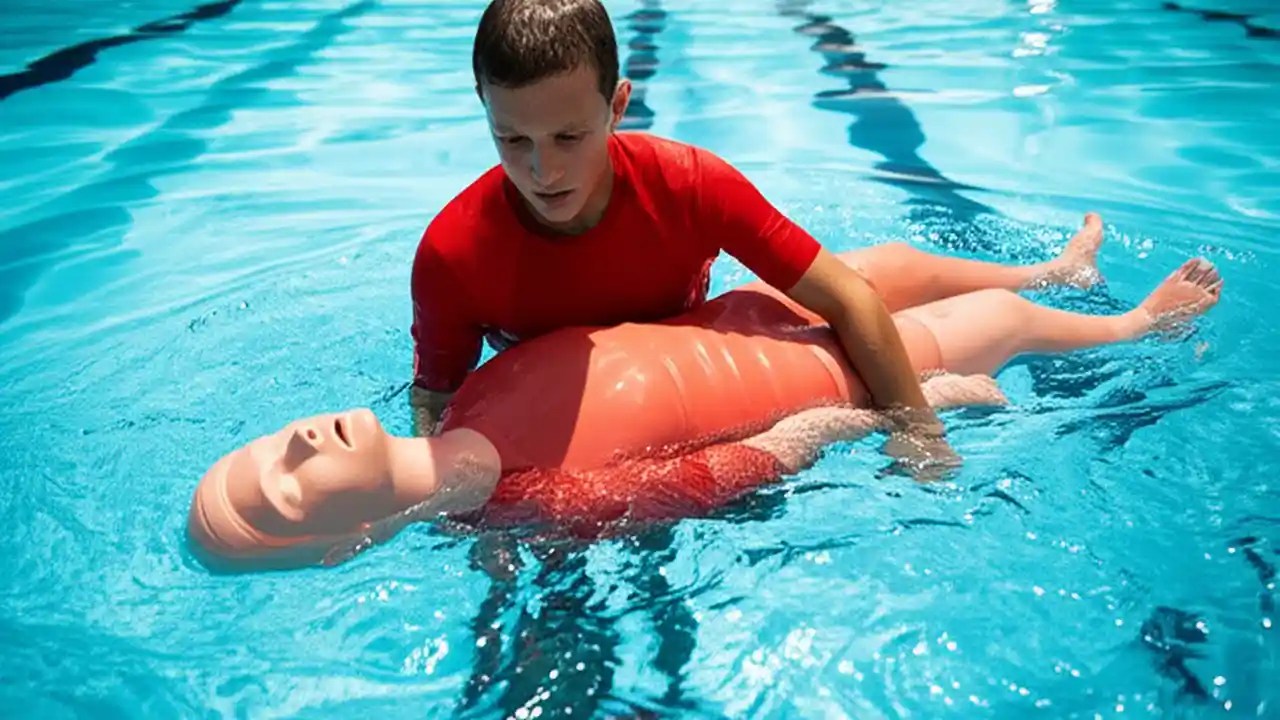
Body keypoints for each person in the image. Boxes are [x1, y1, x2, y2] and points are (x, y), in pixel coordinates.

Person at [186, 238, 1223, 570]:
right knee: (991, 322)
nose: (292, 444)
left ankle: (1054, 269)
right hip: (822, 377)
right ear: (340, 541)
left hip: (735, 323)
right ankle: (1131, 326)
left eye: (261, 448)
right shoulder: (536, 504)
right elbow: (757, 462)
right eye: (283, 488)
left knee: (888, 263)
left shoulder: (453, 415)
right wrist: (904, 410)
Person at [409, 0, 964, 475]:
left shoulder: (688, 187)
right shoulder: (453, 256)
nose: (542, 170)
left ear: (618, 107)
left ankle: (1043, 276)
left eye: (568, 137)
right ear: (484, 109)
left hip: (690, 401)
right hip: (591, 441)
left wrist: (918, 432)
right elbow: (436, 400)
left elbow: (849, 296)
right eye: (511, 139)